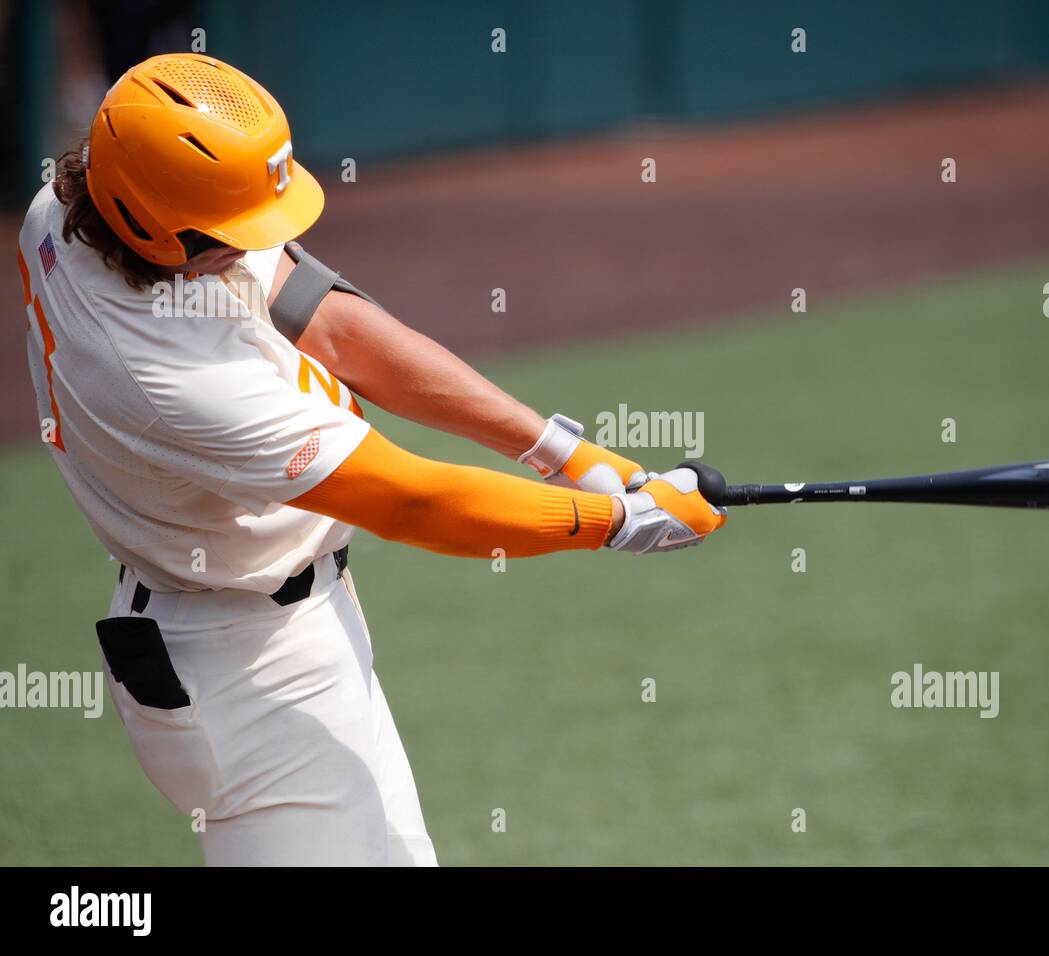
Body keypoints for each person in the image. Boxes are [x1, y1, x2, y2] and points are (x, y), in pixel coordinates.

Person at [16, 53, 725, 866]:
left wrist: (559, 449)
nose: (269, 243)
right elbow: (411, 499)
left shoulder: (74, 206)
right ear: (154, 226)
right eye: (239, 232)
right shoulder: (172, 380)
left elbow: (329, 323)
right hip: (242, 673)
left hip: (286, 624)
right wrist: (618, 520)